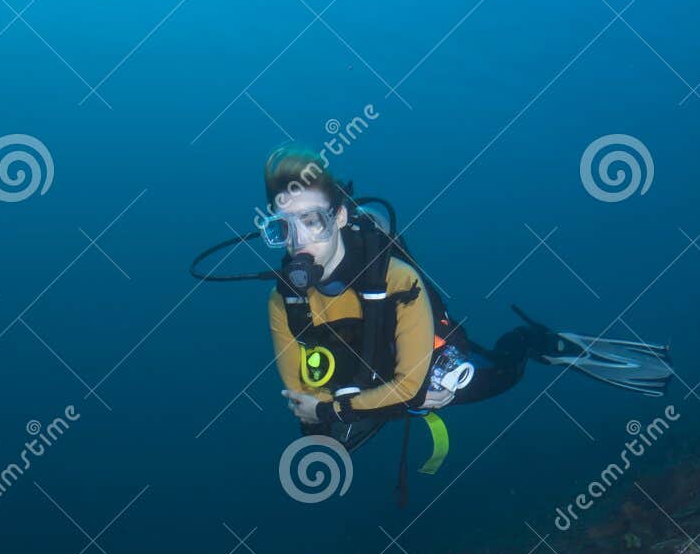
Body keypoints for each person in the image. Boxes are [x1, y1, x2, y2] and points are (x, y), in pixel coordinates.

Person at [190, 142, 673, 499]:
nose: (298, 242)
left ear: (338, 217)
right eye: (282, 227)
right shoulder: (283, 302)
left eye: (311, 221)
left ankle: (540, 341)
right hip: (365, 397)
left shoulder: (396, 278)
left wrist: (332, 412)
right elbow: (303, 401)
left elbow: (406, 386)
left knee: (506, 372)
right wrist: (324, 422)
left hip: (423, 379)